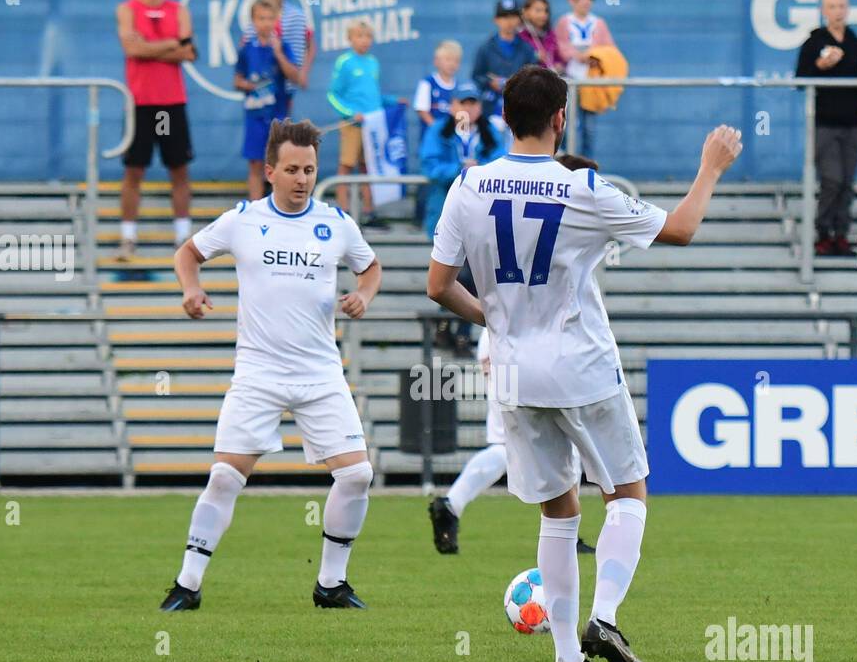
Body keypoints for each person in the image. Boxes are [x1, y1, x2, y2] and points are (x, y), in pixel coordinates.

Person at [426, 66, 742, 662]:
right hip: (582, 366)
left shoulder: (468, 186)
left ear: (504, 119)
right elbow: (679, 229)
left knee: (558, 513)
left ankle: (568, 658)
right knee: (627, 492)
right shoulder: (581, 187)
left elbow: (439, 285)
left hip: (514, 373)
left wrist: (493, 320)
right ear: (561, 119)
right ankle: (606, 615)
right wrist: (710, 168)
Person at [159, 119, 382, 613]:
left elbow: (370, 267)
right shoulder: (242, 219)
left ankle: (331, 584)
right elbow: (187, 254)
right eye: (293, 170)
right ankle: (187, 584)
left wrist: (363, 295)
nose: (302, 179)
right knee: (224, 477)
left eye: (310, 169)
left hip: (322, 374)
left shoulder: (336, 222)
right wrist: (191, 289)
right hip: (258, 374)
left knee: (357, 475)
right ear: (269, 171)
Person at [426, 149, 601, 560]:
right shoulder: (549, 222)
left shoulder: (533, 221)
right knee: (510, 446)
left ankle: (562, 527)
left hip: (518, 340)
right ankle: (452, 505)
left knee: (545, 442)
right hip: (511, 339)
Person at [115, 0, 197, 260]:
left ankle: (182, 235)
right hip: (140, 103)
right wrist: (169, 44)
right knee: (134, 171)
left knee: (179, 170)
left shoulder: (179, 10)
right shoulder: (127, 10)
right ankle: (127, 237)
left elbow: (189, 52)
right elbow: (129, 48)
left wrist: (147, 48)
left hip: (171, 102)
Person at [421, 83, 509, 355]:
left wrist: (478, 171)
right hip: (446, 213)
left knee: (470, 275)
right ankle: (454, 332)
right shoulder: (440, 130)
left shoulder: (489, 132)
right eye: (464, 102)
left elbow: (501, 162)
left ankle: (451, 329)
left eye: (473, 103)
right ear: (453, 105)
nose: (469, 108)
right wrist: (462, 170)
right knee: (455, 273)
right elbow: (430, 166)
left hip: (481, 215)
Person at [794, 0, 857, 255]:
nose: (837, 11)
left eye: (841, 6)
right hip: (825, 123)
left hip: (853, 122)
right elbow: (800, 79)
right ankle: (823, 232)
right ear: (823, 11)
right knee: (831, 179)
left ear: (847, 9)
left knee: (848, 181)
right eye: (832, 6)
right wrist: (821, 66)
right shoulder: (814, 41)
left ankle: (841, 234)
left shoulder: (856, 43)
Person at [326, 19, 399, 219]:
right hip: (352, 125)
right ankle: (343, 209)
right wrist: (350, 113)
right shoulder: (345, 62)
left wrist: (392, 101)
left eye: (368, 36)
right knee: (346, 165)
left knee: (369, 167)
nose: (364, 40)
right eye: (359, 36)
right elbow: (333, 94)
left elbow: (374, 95)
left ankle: (368, 211)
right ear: (350, 38)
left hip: (372, 126)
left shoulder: (373, 62)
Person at [234, 0, 302, 200]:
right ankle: (256, 208)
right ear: (253, 21)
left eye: (270, 18)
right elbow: (237, 79)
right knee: (255, 162)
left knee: (279, 161)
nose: (265, 23)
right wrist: (247, 85)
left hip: (277, 116)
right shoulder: (247, 49)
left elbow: (294, 76)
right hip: (255, 115)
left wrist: (279, 54)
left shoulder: (283, 47)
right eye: (260, 18)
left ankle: (279, 206)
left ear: (277, 20)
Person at [555, 0, 615, 156]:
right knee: (566, 124)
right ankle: (564, 161)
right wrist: (577, 56)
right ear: (571, 0)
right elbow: (560, 47)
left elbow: (609, 49)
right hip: (569, 80)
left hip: (591, 83)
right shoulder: (565, 22)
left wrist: (597, 58)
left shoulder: (599, 23)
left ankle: (586, 164)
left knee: (589, 128)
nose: (585, 1)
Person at [257, 0, 314, 110]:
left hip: (287, 86)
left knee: (281, 127)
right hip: (261, 88)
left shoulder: (296, 16)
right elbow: (247, 45)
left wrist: (303, 73)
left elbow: (310, 45)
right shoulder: (256, 15)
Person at [472, 0, 537, 120]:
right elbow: (476, 76)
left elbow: (534, 77)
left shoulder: (527, 48)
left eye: (513, 16)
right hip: (491, 110)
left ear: (519, 19)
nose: (509, 21)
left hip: (520, 109)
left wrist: (518, 81)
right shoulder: (485, 48)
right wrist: (490, 82)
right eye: (504, 16)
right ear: (496, 20)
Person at [412, 39, 462, 145]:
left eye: (456, 61)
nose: (452, 64)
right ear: (436, 61)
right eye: (448, 59)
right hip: (432, 138)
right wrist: (438, 130)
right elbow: (422, 111)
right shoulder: (427, 83)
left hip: (452, 140)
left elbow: (460, 115)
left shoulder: (459, 87)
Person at [518, 0, 565, 72]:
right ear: (525, 12)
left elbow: (557, 57)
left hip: (550, 79)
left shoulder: (551, 34)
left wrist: (558, 64)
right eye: (538, 10)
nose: (543, 14)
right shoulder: (520, 36)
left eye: (546, 11)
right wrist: (534, 57)